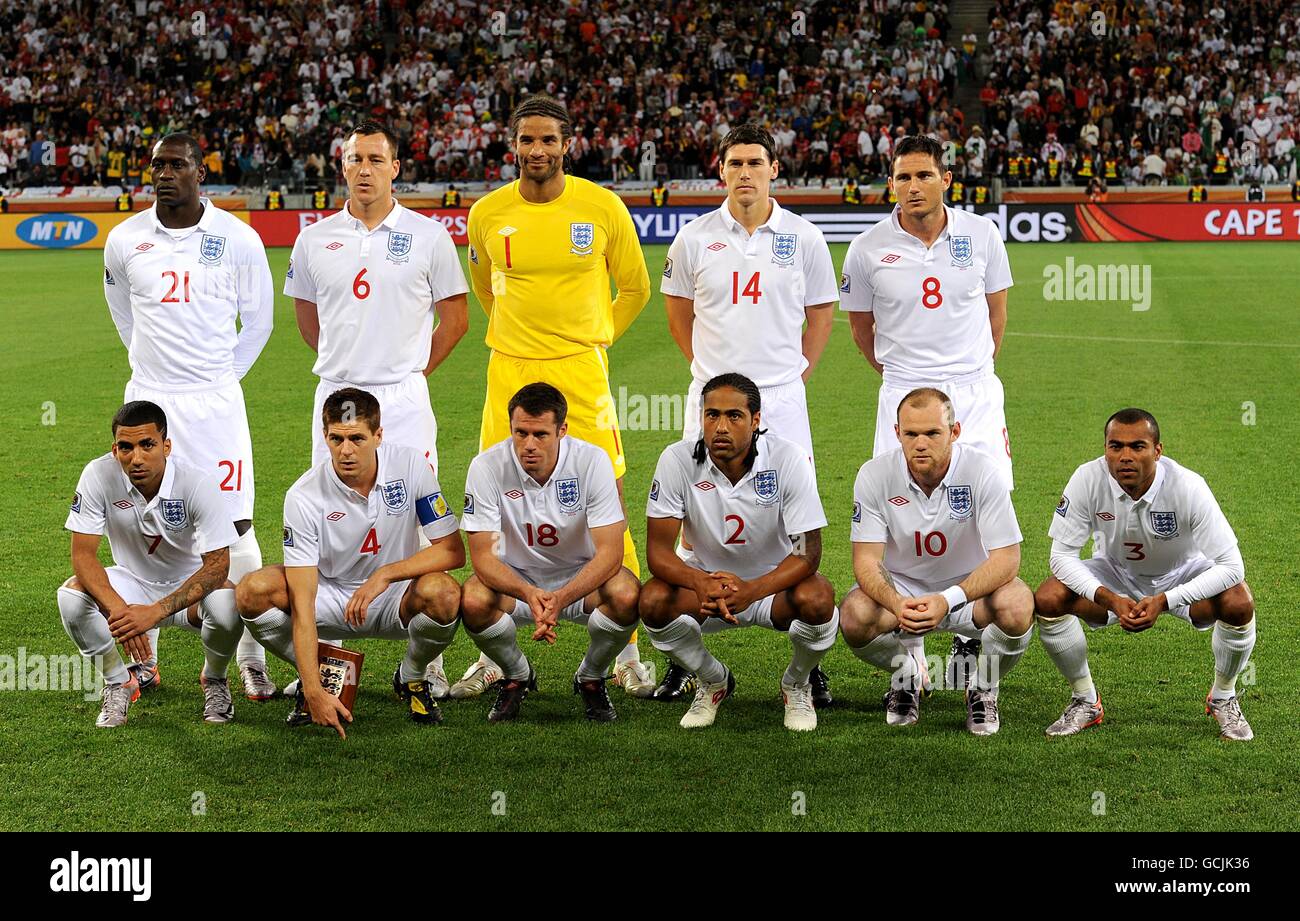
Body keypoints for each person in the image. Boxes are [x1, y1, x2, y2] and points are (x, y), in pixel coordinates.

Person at [464, 93, 653, 698]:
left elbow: (635, 287)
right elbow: (485, 289)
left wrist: (592, 342)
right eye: (527, 140)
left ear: (567, 143)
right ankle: (500, 651)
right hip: (509, 372)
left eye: (549, 139)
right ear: (512, 144)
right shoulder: (488, 213)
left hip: (581, 371)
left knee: (608, 496)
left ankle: (624, 650)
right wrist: (523, 341)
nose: (537, 150)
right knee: (498, 494)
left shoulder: (601, 206)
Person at [285, 122, 469, 695]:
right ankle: (331, 660)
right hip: (338, 395)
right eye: (353, 158)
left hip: (403, 399)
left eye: (375, 158)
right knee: (330, 512)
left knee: (417, 521)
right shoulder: (314, 239)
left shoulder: (428, 236)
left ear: (395, 168)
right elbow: (307, 320)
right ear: (341, 168)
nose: (363, 167)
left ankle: (425, 662)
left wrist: (410, 373)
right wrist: (349, 373)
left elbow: (456, 318)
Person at [659, 122, 838, 704]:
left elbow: (820, 311)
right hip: (713, 399)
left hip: (782, 397)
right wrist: (715, 382)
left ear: (774, 170)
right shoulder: (693, 238)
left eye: (755, 163)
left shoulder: (805, 237)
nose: (744, 173)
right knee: (695, 512)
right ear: (721, 170)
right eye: (734, 163)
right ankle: (689, 658)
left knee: (795, 518)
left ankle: (806, 666)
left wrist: (796, 370)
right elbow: (678, 312)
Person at [102, 132, 275, 702]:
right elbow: (125, 318)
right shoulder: (125, 240)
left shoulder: (238, 238)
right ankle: (141, 646)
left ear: (201, 171)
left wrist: (217, 379)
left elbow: (259, 324)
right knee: (136, 519)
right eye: (157, 165)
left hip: (216, 405)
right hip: (151, 398)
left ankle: (242, 661)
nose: (164, 174)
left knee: (237, 528)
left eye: (177, 165)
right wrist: (161, 380)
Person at [839, 133, 1015, 688]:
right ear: (891, 184)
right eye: (903, 178)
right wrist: (905, 379)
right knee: (899, 509)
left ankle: (967, 627)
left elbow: (996, 316)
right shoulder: (867, 248)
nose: (913, 187)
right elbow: (862, 331)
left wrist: (968, 371)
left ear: (946, 180)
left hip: (973, 390)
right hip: (904, 390)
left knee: (984, 506)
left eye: (924, 176)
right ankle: (908, 640)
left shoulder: (982, 235)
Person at [236, 389, 464, 735]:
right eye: (336, 438)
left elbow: (451, 551)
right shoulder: (304, 496)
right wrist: (313, 689)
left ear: (378, 436)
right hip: (328, 593)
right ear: (324, 436)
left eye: (357, 438)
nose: (345, 450)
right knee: (253, 590)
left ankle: (412, 676)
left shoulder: (410, 465)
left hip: (392, 596)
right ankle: (324, 674)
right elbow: (302, 600)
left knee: (444, 592)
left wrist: (386, 574)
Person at [1034, 409, 1257, 741]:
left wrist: (1166, 600)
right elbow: (1061, 557)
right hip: (1116, 574)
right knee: (1050, 598)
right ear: (1105, 448)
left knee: (1238, 602)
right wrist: (1110, 598)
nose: (1125, 456)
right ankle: (1085, 699)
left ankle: (1223, 696)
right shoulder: (1087, 478)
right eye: (1115, 446)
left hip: (1182, 575)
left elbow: (1232, 566)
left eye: (1137, 446)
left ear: (1158, 450)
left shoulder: (1189, 486)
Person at [639, 374, 838, 731]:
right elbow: (658, 554)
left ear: (756, 420)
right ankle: (713, 680)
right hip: (706, 588)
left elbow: (808, 554)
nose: (720, 427)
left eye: (734, 416)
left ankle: (796, 682)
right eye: (711, 415)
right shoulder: (677, 459)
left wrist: (752, 591)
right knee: (652, 600)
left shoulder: (788, 458)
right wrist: (699, 581)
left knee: (819, 598)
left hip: (772, 586)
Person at [838, 389, 1033, 733]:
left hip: (967, 591)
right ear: (897, 432)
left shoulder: (983, 471)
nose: (920, 444)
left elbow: (1007, 558)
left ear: (954, 432)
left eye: (932, 433)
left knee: (1017, 605)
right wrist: (897, 604)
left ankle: (983, 686)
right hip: (904, 592)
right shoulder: (874, 475)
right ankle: (907, 673)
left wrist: (948, 600)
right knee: (854, 616)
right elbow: (866, 560)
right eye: (911, 434)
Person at [459, 383, 641, 722]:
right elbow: (483, 558)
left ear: (562, 430)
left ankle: (591, 677)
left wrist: (562, 597)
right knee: (472, 599)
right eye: (520, 433)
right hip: (516, 581)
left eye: (540, 434)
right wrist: (529, 592)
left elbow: (611, 553)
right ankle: (517, 674)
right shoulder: (486, 467)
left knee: (627, 593)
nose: (528, 445)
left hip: (580, 579)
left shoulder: (591, 462)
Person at [59, 401, 242, 728]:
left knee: (228, 602)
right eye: (125, 447)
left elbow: (217, 566)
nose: (136, 457)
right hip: (130, 583)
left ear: (166, 445)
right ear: (115, 449)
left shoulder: (195, 482)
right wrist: (119, 610)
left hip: (189, 589)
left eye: (147, 445)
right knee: (71, 597)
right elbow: (83, 556)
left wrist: (155, 611)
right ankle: (119, 682)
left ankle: (214, 680)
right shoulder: (98, 474)